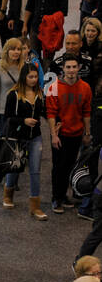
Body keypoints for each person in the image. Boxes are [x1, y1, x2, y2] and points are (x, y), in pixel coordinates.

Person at [47, 53, 92, 213]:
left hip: (76, 134)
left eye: (74, 67)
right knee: (58, 167)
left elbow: (86, 111)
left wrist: (87, 132)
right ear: (63, 68)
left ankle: (64, 195)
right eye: (68, 67)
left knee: (69, 166)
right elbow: (51, 114)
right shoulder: (53, 87)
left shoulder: (85, 88)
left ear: (79, 68)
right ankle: (56, 198)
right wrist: (53, 135)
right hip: (60, 134)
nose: (71, 70)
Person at [3, 63, 48, 219]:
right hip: (18, 136)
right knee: (15, 167)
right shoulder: (13, 95)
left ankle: (35, 207)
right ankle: (8, 194)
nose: (34, 80)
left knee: (35, 171)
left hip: (35, 136)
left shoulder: (40, 93)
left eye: (36, 76)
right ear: (24, 77)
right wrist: (23, 120)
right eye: (30, 77)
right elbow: (8, 117)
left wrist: (56, 122)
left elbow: (45, 112)